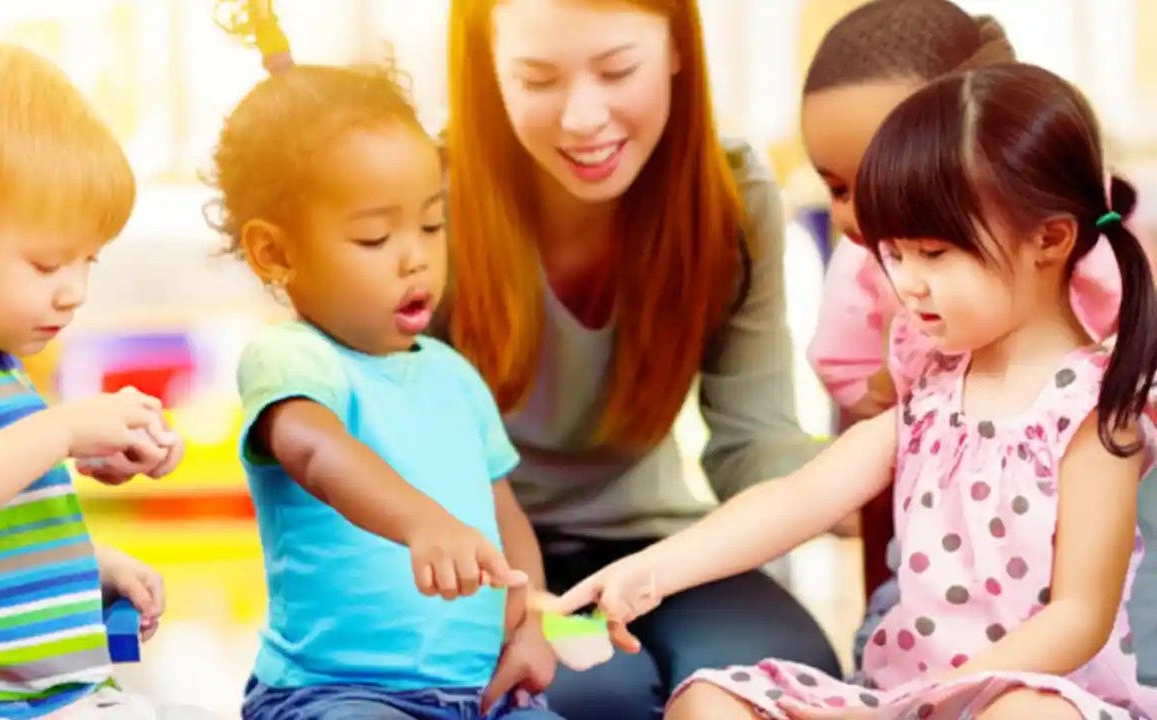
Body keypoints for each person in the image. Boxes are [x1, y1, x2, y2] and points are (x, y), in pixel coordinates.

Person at [554, 61, 1157, 719]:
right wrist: (650, 573)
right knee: (708, 699)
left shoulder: (1098, 414)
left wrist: (934, 700)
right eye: (894, 254)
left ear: (1050, 238)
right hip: (890, 700)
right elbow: (799, 498)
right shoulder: (932, 393)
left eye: (935, 253)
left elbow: (1078, 618)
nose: (907, 283)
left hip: (1028, 696)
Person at [442, 0, 841, 716]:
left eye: (617, 69)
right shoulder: (427, 203)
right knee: (599, 695)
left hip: (660, 555)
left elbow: (753, 442)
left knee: (788, 677)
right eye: (537, 80)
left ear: (678, 49)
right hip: (493, 570)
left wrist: (854, 482)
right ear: (488, 75)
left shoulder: (733, 198)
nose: (582, 118)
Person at [207, 61, 562, 720]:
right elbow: (314, 452)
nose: (415, 257)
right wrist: (421, 522)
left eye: (431, 224)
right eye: (375, 236)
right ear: (275, 254)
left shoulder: (454, 375)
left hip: (484, 693)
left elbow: (507, 520)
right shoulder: (293, 361)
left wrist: (533, 625)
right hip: (336, 694)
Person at [796, 0, 1130, 672]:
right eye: (838, 186)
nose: (870, 212)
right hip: (935, 556)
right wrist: (880, 398)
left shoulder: (1085, 347)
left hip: (1063, 581)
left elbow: (1084, 606)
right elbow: (842, 381)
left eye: (902, 180)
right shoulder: (874, 273)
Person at [0, 44, 187, 719]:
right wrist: (61, 429)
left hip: (49, 695)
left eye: (87, 261)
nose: (74, 291)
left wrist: (89, 562)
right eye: (47, 263)